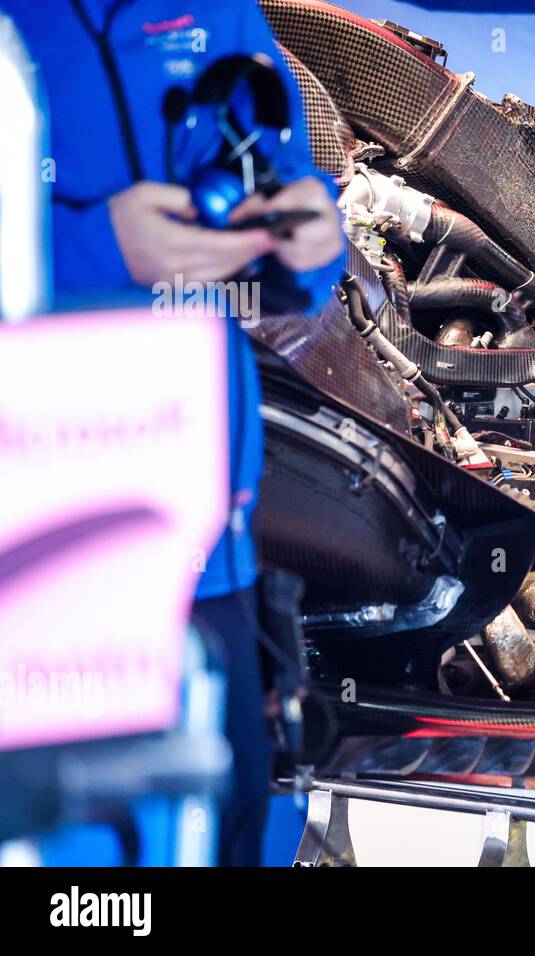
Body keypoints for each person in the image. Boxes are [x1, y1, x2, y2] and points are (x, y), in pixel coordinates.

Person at [4, 0, 345, 864]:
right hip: (33, 562)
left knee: (219, 827)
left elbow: (280, 173)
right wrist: (89, 247)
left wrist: (308, 240)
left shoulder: (216, 13)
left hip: (203, 546)